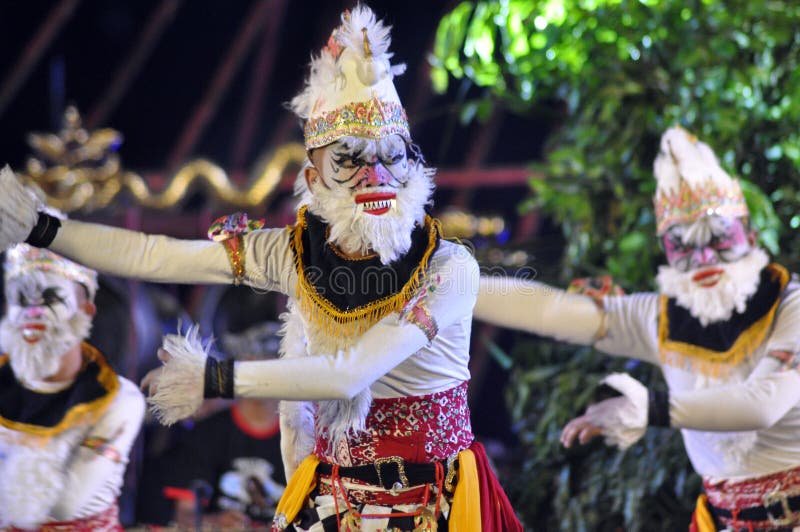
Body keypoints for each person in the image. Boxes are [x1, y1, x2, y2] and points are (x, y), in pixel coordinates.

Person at [0, 5, 522, 531]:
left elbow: (350, 375)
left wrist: (218, 378)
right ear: (314, 178)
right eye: (350, 158)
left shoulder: (449, 267)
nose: (376, 176)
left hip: (435, 503)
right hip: (334, 499)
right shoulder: (289, 253)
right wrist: (43, 229)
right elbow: (154, 255)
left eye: (392, 155)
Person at [475, 126, 800, 531]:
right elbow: (550, 310)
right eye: (683, 246)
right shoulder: (660, 318)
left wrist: (647, 408)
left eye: (719, 239)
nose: (704, 258)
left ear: (750, 237)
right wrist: (447, 285)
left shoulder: (792, 305)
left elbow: (761, 404)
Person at [0, 242, 145, 530]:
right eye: (21, 300)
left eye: (51, 299)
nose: (33, 313)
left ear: (86, 310)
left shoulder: (118, 399)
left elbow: (66, 503)